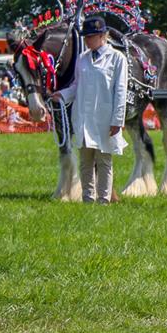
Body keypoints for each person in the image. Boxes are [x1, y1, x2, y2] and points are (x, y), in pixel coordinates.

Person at [50, 16, 129, 205]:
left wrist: (117, 120)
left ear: (102, 36)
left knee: (104, 160)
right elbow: (77, 86)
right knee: (86, 161)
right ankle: (87, 198)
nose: (87, 40)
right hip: (84, 116)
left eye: (90, 37)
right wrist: (62, 95)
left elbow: (121, 91)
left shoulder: (117, 58)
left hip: (105, 117)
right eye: (85, 37)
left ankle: (103, 200)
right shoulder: (82, 59)